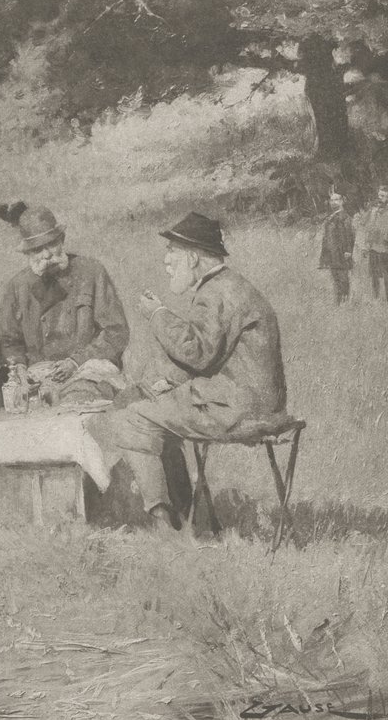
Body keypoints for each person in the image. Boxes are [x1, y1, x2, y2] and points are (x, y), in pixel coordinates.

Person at [90, 213, 287, 531]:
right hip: (251, 403)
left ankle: (165, 523)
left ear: (193, 258)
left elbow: (197, 352)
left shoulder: (216, 292)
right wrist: (163, 382)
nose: (166, 261)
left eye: (172, 252)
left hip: (238, 410)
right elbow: (215, 356)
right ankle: (187, 516)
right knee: (151, 410)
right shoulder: (229, 286)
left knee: (131, 418)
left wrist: (157, 314)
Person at [0, 201, 129, 399]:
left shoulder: (92, 272)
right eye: (37, 250)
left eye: (51, 244)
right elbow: (8, 341)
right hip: (40, 377)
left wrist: (75, 362)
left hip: (87, 370)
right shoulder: (18, 285)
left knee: (81, 396)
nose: (47, 255)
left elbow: (116, 333)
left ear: (62, 240)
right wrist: (20, 370)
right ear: (27, 253)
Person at [318, 189, 355, 304]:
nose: (333, 202)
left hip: (341, 253)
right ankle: (338, 302)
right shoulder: (331, 217)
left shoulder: (345, 217)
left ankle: (344, 301)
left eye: (336, 200)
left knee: (343, 278)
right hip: (332, 253)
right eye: (332, 200)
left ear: (342, 201)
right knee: (336, 278)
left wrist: (348, 250)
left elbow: (350, 235)